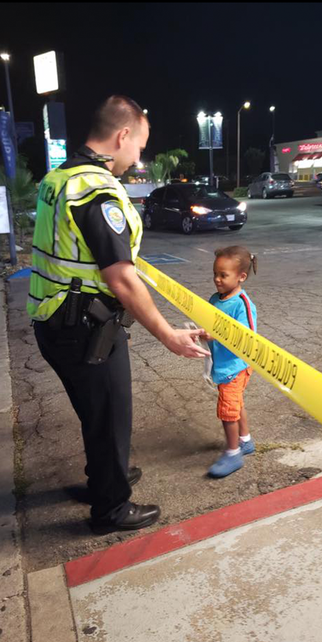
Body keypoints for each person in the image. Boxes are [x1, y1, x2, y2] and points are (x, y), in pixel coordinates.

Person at [28, 95, 209, 533]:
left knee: (96, 412)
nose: (138, 157)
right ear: (123, 134)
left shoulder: (59, 177)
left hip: (52, 318)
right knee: (110, 414)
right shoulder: (96, 188)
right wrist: (168, 335)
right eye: (140, 146)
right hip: (84, 326)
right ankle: (110, 509)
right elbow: (122, 278)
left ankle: (104, 478)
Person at [205, 247, 259, 478]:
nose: (217, 279)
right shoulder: (215, 299)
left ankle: (233, 452)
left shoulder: (242, 304)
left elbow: (247, 336)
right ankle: (245, 441)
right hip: (222, 364)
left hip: (236, 366)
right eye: (215, 273)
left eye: (223, 275)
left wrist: (216, 334)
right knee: (236, 404)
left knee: (228, 411)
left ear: (241, 277)